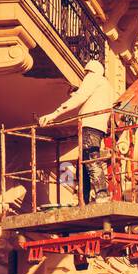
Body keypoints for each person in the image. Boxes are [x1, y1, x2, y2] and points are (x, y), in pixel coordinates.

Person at [38, 59, 117, 204]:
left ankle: (101, 194)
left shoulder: (93, 78)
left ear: (88, 71)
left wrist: (54, 114)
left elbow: (81, 97)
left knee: (91, 160)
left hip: (89, 125)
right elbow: (93, 101)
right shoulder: (107, 86)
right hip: (99, 127)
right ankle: (83, 198)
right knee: (85, 162)